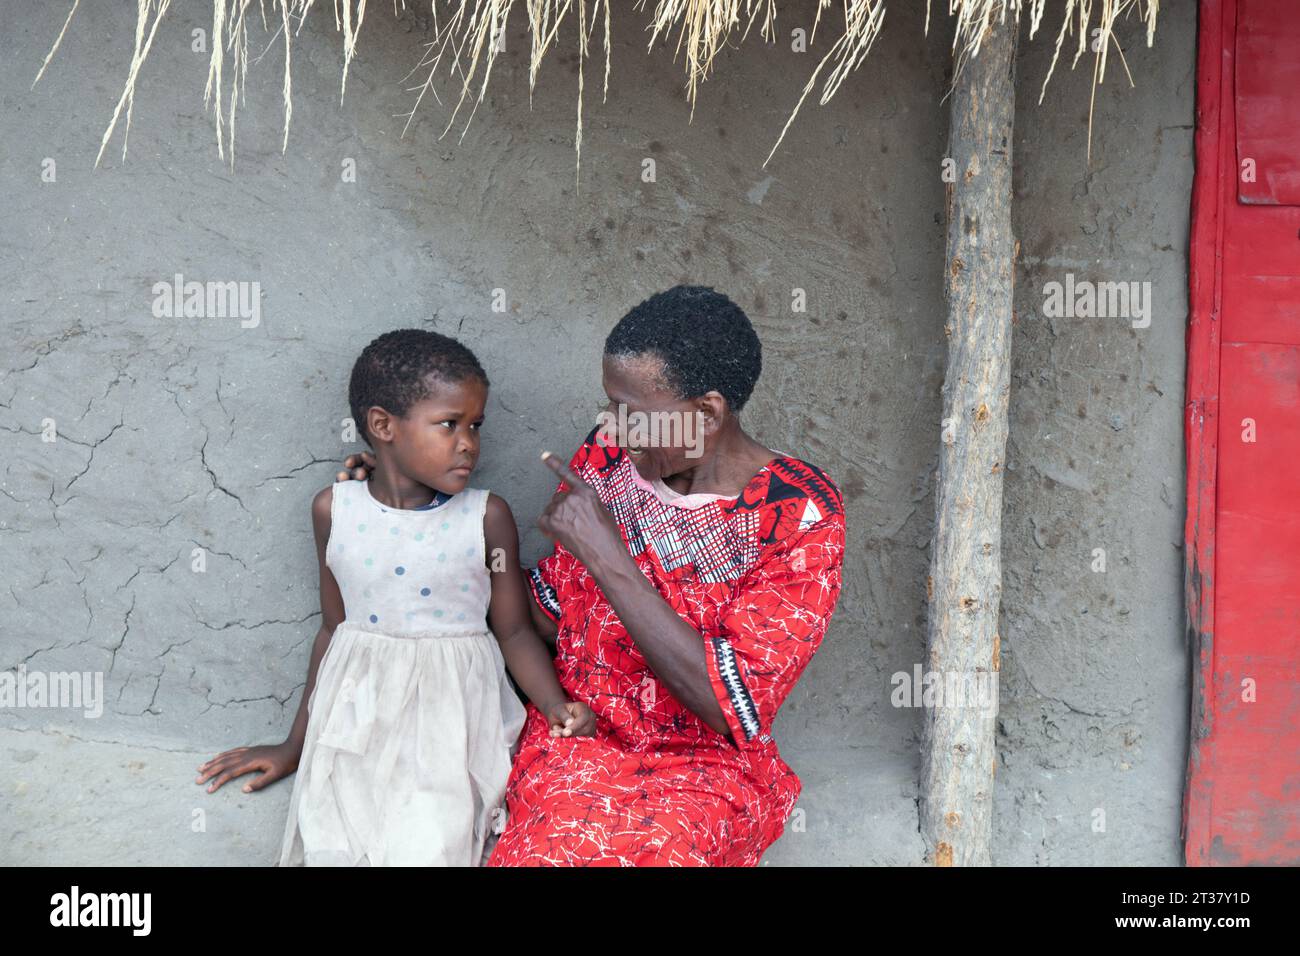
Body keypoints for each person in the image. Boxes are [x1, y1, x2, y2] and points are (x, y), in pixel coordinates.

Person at [344, 286, 847, 866]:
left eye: (632, 412)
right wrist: (402, 505)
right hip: (579, 738)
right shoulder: (608, 458)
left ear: (706, 413)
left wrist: (606, 554)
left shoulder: (799, 514)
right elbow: (550, 617)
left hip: (705, 769)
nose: (613, 425)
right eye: (610, 406)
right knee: (548, 853)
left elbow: (730, 707)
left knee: (666, 850)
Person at [195, 329, 595, 866]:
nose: (468, 443)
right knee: (335, 846)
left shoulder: (486, 517)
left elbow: (515, 630)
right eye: (449, 424)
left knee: (429, 847)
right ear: (383, 426)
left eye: (475, 425)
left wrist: (552, 705)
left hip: (451, 724)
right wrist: (294, 746)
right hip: (359, 723)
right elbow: (335, 632)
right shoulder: (333, 511)